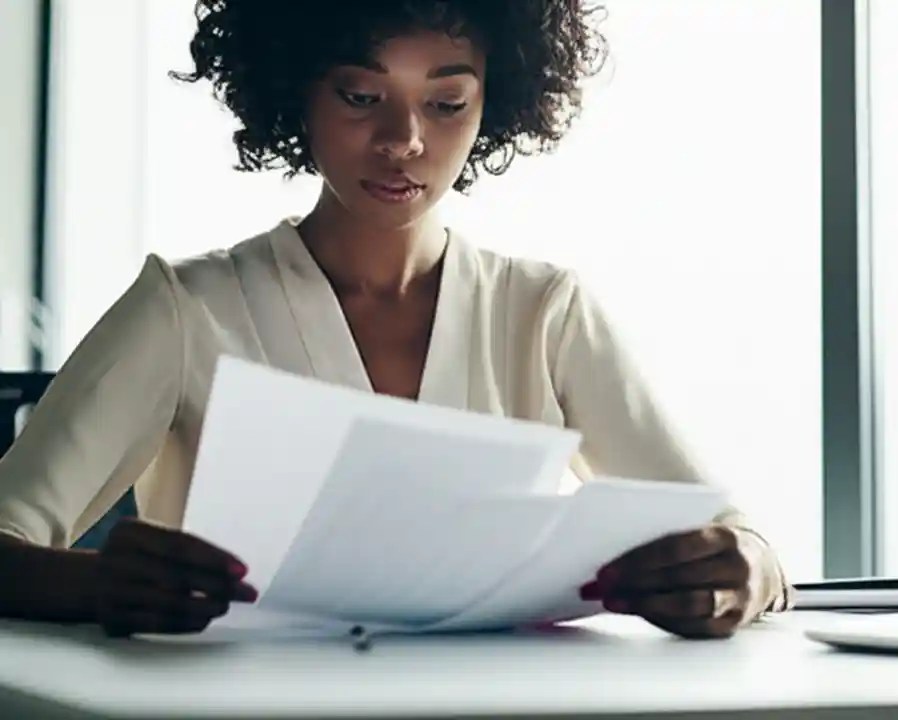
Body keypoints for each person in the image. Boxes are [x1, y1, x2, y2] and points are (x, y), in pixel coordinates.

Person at [0, 0, 790, 640]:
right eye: (360, 97)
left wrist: (746, 573)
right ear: (295, 90)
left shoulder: (541, 313)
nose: (405, 140)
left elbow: (735, 543)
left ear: (495, 105)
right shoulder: (185, 309)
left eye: (447, 103)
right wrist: (98, 584)